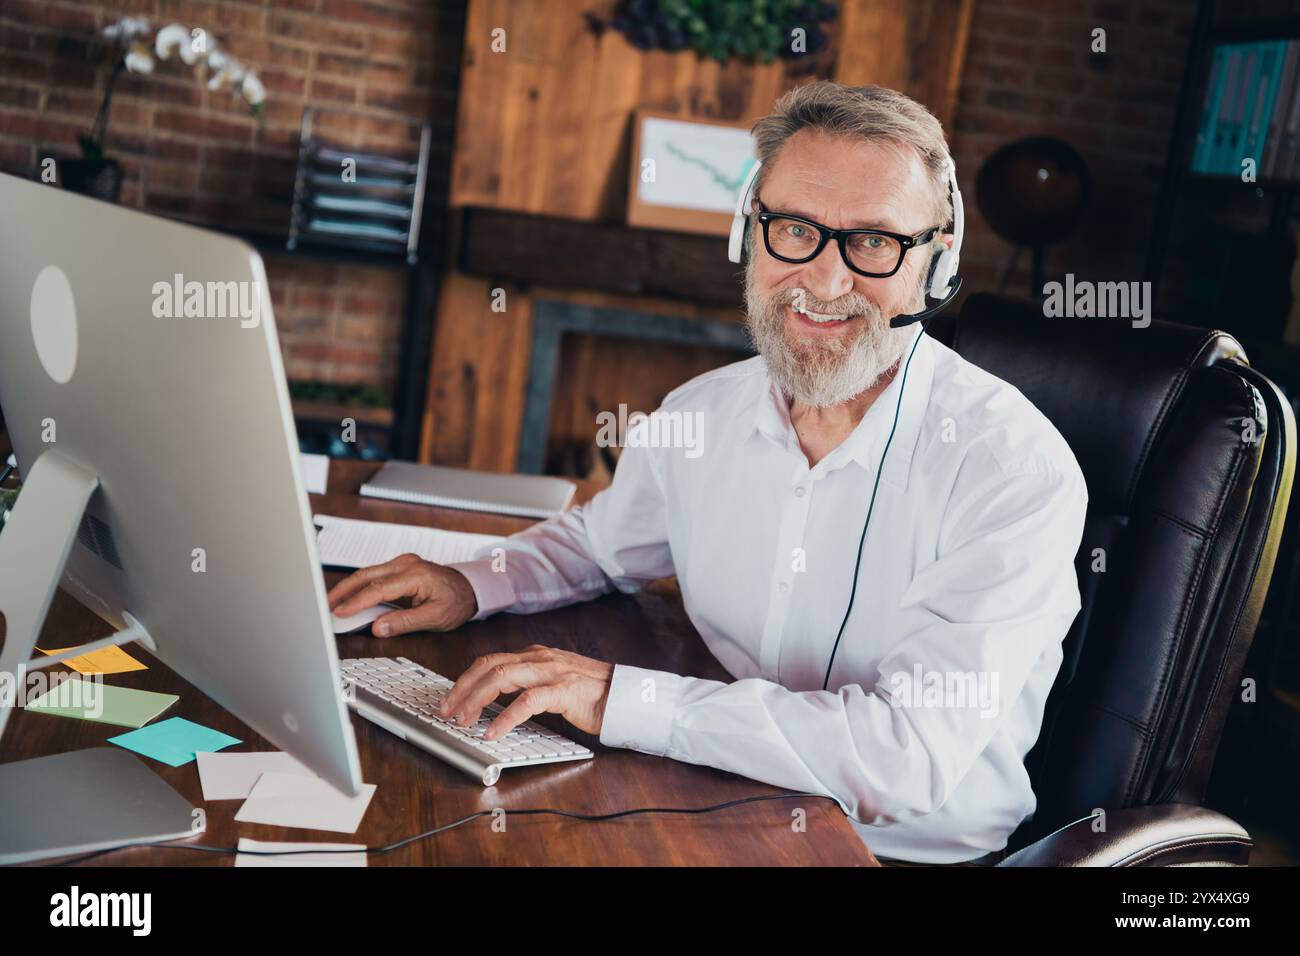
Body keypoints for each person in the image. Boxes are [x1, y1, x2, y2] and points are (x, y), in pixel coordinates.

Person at [328, 82, 1088, 865]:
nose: (825, 283)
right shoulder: (705, 412)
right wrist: (473, 582)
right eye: (796, 229)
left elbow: (904, 757)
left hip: (893, 856)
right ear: (746, 237)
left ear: (937, 263)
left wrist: (614, 695)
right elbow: (599, 544)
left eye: (873, 243)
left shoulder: (1009, 470)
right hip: (714, 794)